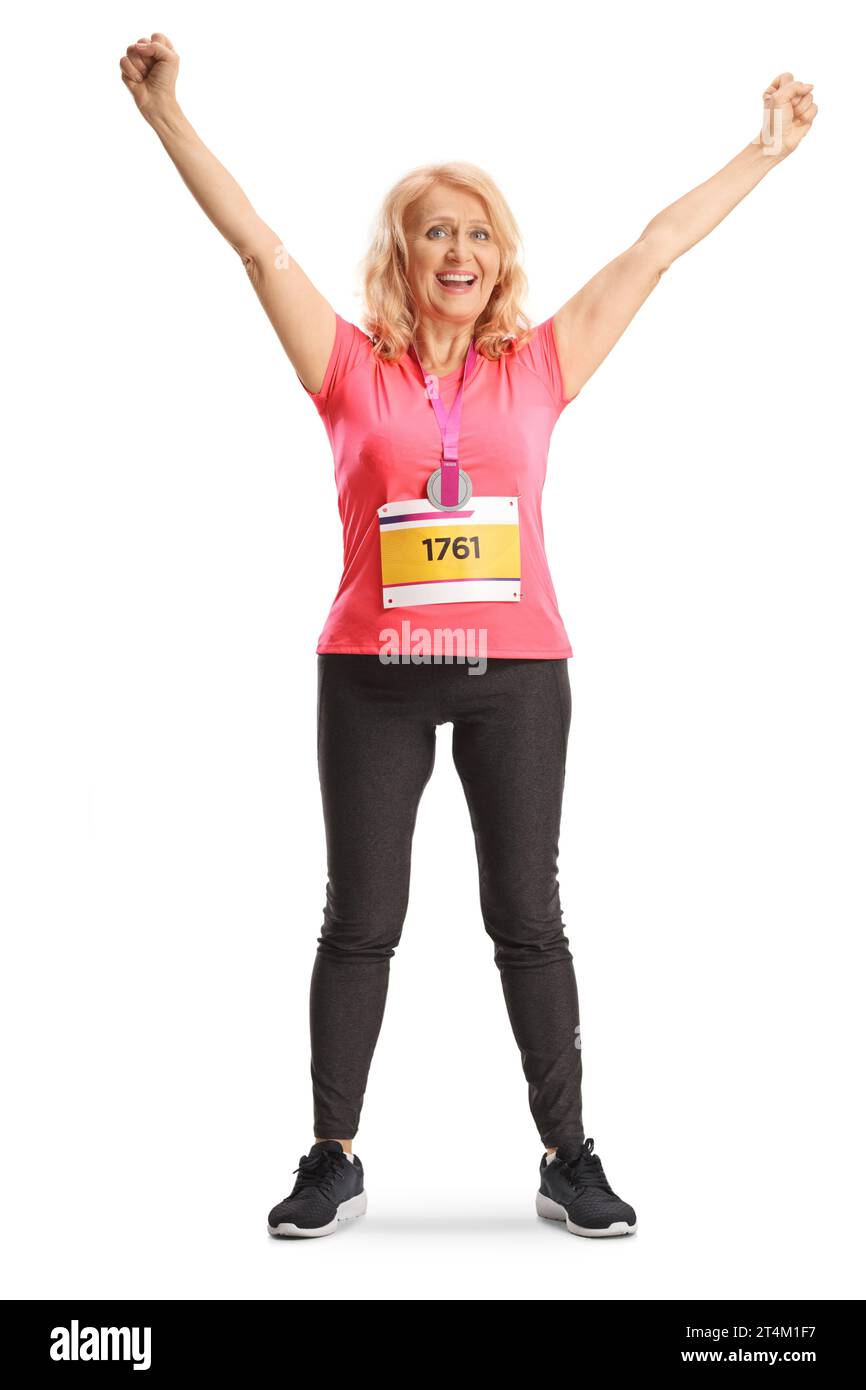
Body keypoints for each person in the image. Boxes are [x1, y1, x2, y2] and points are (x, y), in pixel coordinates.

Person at [120, 34, 818, 1242]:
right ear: (405, 253)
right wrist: (163, 115)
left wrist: (758, 154)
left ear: (501, 260)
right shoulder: (347, 368)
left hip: (516, 678)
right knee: (361, 915)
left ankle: (566, 1154)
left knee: (526, 915)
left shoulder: (541, 366)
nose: (459, 249)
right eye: (436, 230)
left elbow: (650, 252)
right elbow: (253, 243)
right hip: (372, 676)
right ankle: (332, 1153)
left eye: (479, 232)